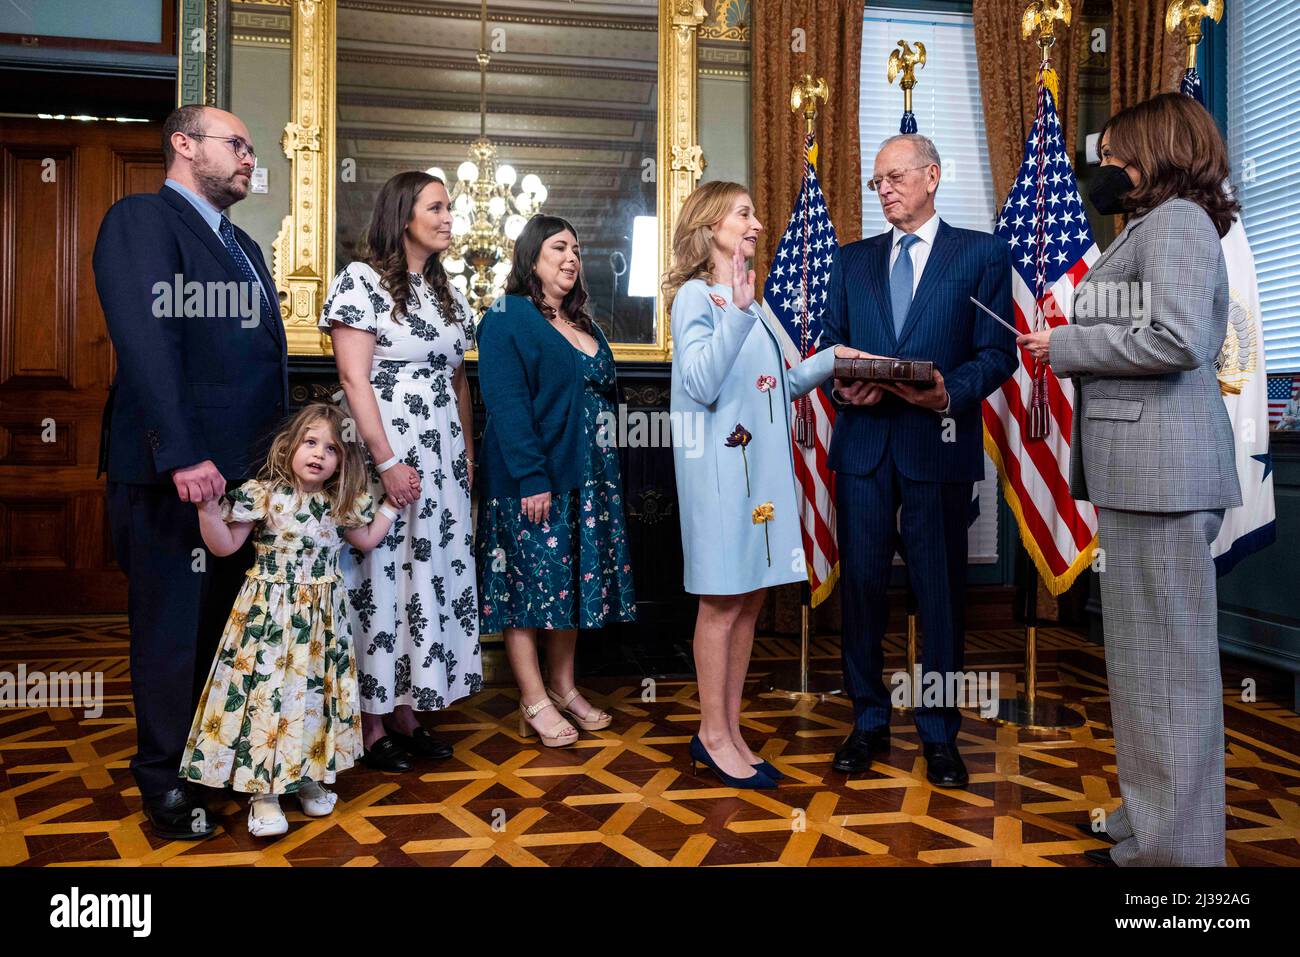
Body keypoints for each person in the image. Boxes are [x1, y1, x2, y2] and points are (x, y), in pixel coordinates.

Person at [1017, 92, 1241, 866]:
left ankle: (1181, 861)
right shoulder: (1155, 224)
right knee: (1145, 671)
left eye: (1114, 155)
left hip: (1166, 476)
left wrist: (1070, 344)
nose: (1104, 168)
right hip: (1146, 476)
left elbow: (1178, 337)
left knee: (1170, 677)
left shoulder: (1177, 222)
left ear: (1154, 152)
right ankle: (1152, 822)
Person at [95, 104, 288, 839]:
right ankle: (164, 782)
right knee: (172, 633)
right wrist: (181, 453)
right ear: (183, 144)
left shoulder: (245, 246)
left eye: (248, 145)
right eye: (235, 143)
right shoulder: (142, 220)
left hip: (242, 479)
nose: (247, 157)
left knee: (222, 631)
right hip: (175, 475)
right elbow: (148, 342)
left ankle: (212, 761)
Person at [822, 134, 1017, 787]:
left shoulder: (982, 254)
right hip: (864, 445)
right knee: (862, 592)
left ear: (932, 176)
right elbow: (828, 349)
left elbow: (998, 352)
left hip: (937, 443)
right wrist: (842, 384)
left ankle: (939, 734)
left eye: (895, 177)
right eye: (877, 181)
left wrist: (947, 391)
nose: (884, 189)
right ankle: (868, 722)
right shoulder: (850, 261)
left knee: (939, 596)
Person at [666, 181, 859, 788]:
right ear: (711, 224)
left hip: (761, 480)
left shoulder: (754, 300)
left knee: (748, 601)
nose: (755, 222)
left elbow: (781, 383)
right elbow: (700, 380)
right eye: (744, 213)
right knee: (722, 603)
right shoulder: (696, 296)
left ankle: (731, 729)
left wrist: (833, 358)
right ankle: (711, 735)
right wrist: (741, 312)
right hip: (720, 479)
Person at [320, 171, 482, 773]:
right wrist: (386, 462)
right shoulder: (360, 283)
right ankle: (368, 719)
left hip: (440, 461)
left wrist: (465, 460)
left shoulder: (447, 295)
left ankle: (406, 709)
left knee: (425, 580)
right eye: (437, 207)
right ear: (402, 215)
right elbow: (353, 378)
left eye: (450, 208)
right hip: (382, 453)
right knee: (379, 574)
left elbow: (459, 379)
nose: (448, 218)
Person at [182, 403, 395, 837]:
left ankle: (307, 775)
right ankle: (263, 794)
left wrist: (392, 504)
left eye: (331, 449)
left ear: (342, 461)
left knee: (312, 696)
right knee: (269, 697)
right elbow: (223, 547)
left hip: (321, 625)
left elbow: (368, 538)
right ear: (289, 445)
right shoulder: (264, 494)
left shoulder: (340, 502)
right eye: (310, 442)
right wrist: (208, 510)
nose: (319, 453)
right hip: (268, 621)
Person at [476, 215, 636, 749]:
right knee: (527, 589)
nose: (572, 257)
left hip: (589, 480)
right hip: (534, 478)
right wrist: (530, 477)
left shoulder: (583, 323)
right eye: (559, 247)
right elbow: (507, 403)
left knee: (566, 588)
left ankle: (564, 687)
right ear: (532, 257)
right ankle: (534, 698)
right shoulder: (506, 316)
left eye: (576, 248)